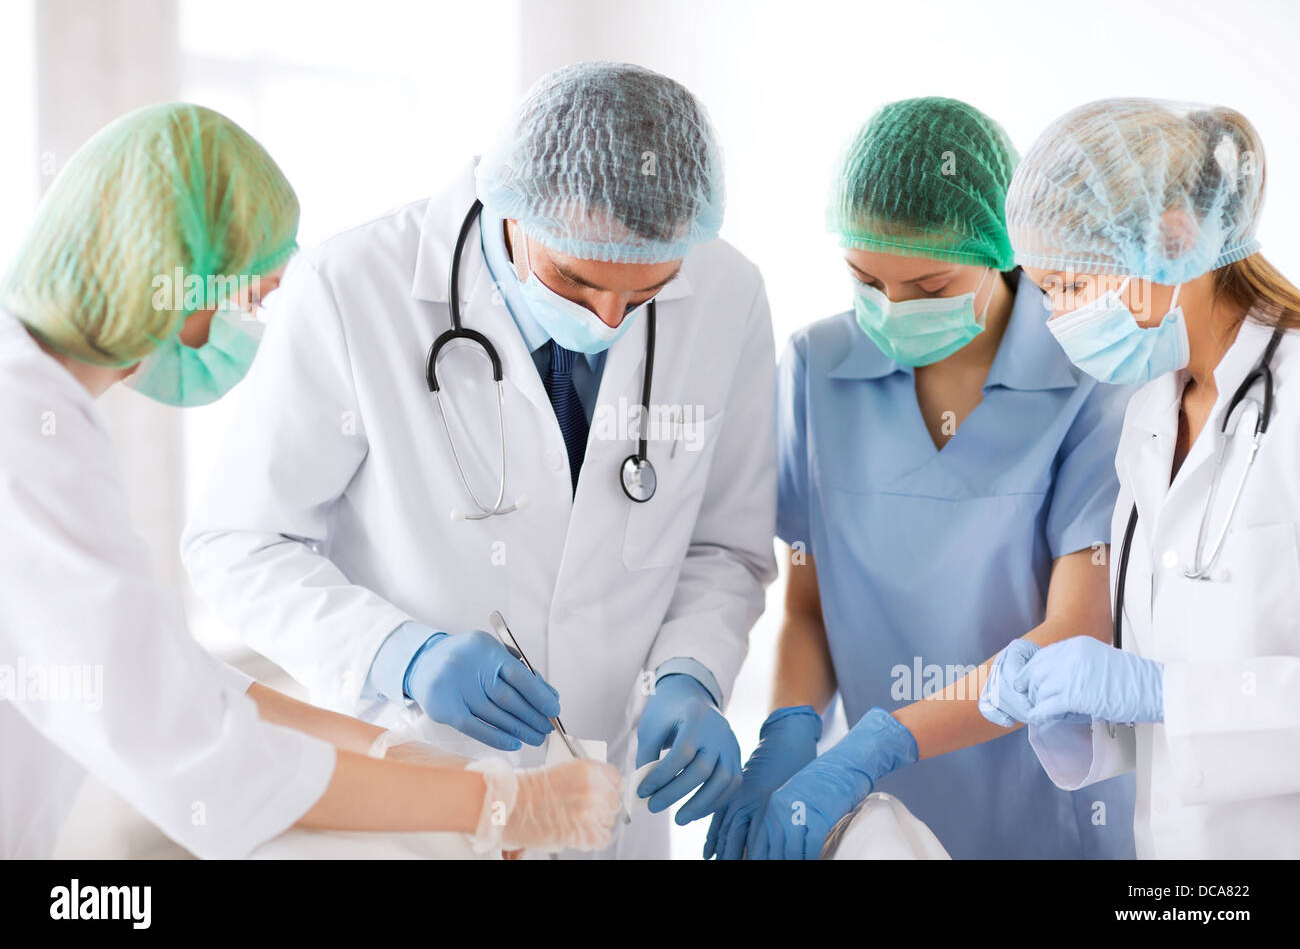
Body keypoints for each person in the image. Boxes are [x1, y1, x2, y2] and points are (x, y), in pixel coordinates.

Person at [180, 62, 778, 859]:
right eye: (576, 279)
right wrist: (400, 653)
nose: (607, 319)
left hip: (612, 801)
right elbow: (238, 546)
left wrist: (692, 672)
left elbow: (722, 546)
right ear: (511, 207)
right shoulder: (355, 288)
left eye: (643, 298)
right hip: (420, 790)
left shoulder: (728, 293)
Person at [0, 102, 621, 859]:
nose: (241, 335)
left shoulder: (40, 409)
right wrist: (492, 803)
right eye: (246, 301)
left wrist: (395, 756)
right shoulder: (24, 429)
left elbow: (173, 680)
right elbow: (191, 753)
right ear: (166, 278)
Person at [710, 97, 1136, 860]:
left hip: (1043, 805)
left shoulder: (1089, 379)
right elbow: (808, 606)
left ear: (1003, 248)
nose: (892, 309)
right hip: (874, 815)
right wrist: (789, 736)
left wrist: (885, 740)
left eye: (931, 288)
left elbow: (1077, 630)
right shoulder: (818, 369)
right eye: (865, 281)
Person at [983, 98, 1300, 858]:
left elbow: (1182, 691)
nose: (1057, 318)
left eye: (1069, 285)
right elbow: (1171, 679)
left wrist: (1160, 692)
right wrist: (1080, 716)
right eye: (1045, 291)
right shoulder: (1151, 411)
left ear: (1174, 237)